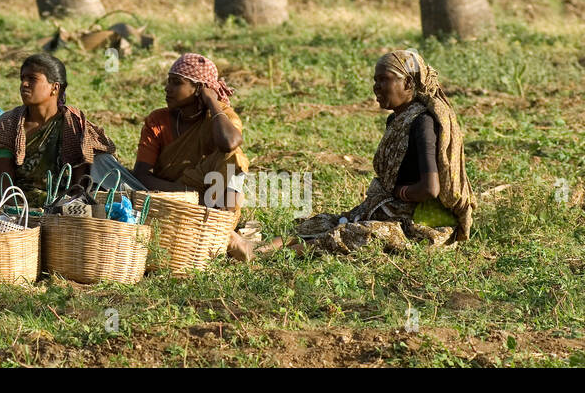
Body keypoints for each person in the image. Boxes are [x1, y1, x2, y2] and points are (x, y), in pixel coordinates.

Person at [286, 49, 475, 255]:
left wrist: (397, 193)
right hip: (389, 209)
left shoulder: (423, 124)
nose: (377, 87)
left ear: (408, 83)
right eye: (375, 80)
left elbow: (430, 189)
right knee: (323, 224)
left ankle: (274, 252)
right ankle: (264, 247)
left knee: (352, 235)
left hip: (418, 224)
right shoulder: (396, 120)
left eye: (384, 79)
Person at [132, 53, 257, 260]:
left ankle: (221, 227)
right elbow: (142, 175)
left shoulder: (220, 117)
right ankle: (227, 239)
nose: (167, 88)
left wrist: (212, 102)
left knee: (234, 158)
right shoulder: (157, 120)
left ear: (198, 89)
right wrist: (192, 196)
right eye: (168, 82)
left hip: (215, 204)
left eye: (176, 83)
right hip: (173, 201)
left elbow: (230, 143)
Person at [0, 53, 130, 207]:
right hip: (18, 204)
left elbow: (79, 183)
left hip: (62, 205)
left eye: (32, 79)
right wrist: (16, 209)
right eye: (22, 78)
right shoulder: (10, 123)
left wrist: (67, 207)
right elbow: (4, 181)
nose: (24, 84)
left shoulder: (73, 124)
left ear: (55, 87)